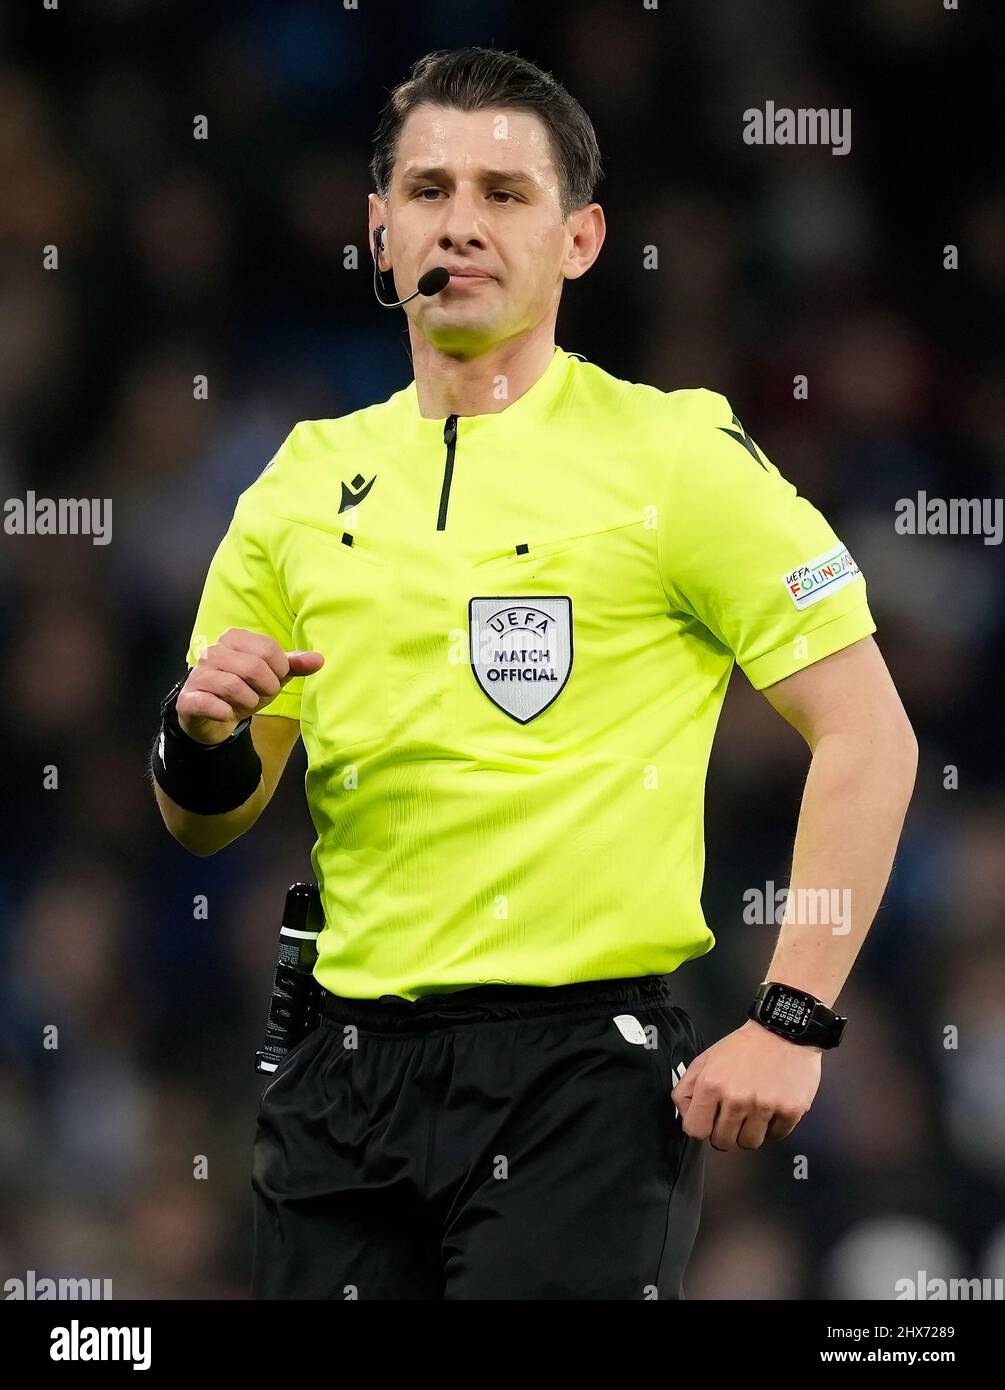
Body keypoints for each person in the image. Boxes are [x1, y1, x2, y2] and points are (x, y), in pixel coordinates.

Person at [150, 46, 918, 1300]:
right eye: (429, 189)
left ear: (581, 239)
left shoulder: (674, 456)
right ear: (379, 233)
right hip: (340, 1073)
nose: (461, 221)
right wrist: (199, 734)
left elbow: (870, 738)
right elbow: (205, 817)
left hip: (582, 1084)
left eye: (506, 194)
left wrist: (794, 1015)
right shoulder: (297, 481)